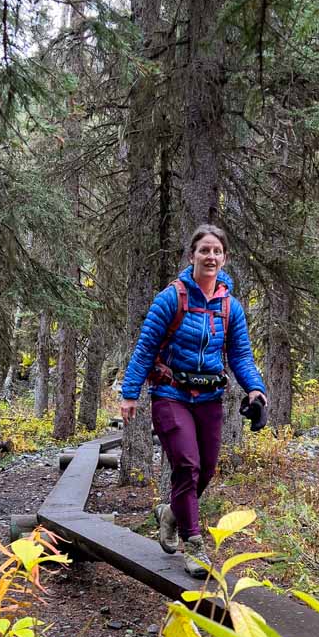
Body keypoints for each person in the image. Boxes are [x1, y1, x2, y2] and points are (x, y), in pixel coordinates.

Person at [120, 225, 267, 578]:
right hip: (171, 394)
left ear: (224, 258)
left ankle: (170, 513)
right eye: (204, 251)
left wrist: (256, 390)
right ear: (192, 256)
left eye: (217, 251)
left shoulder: (230, 307)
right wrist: (129, 393)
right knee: (187, 465)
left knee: (207, 469)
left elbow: (241, 356)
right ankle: (194, 545)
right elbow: (145, 349)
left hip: (210, 397)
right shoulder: (171, 298)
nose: (211, 257)